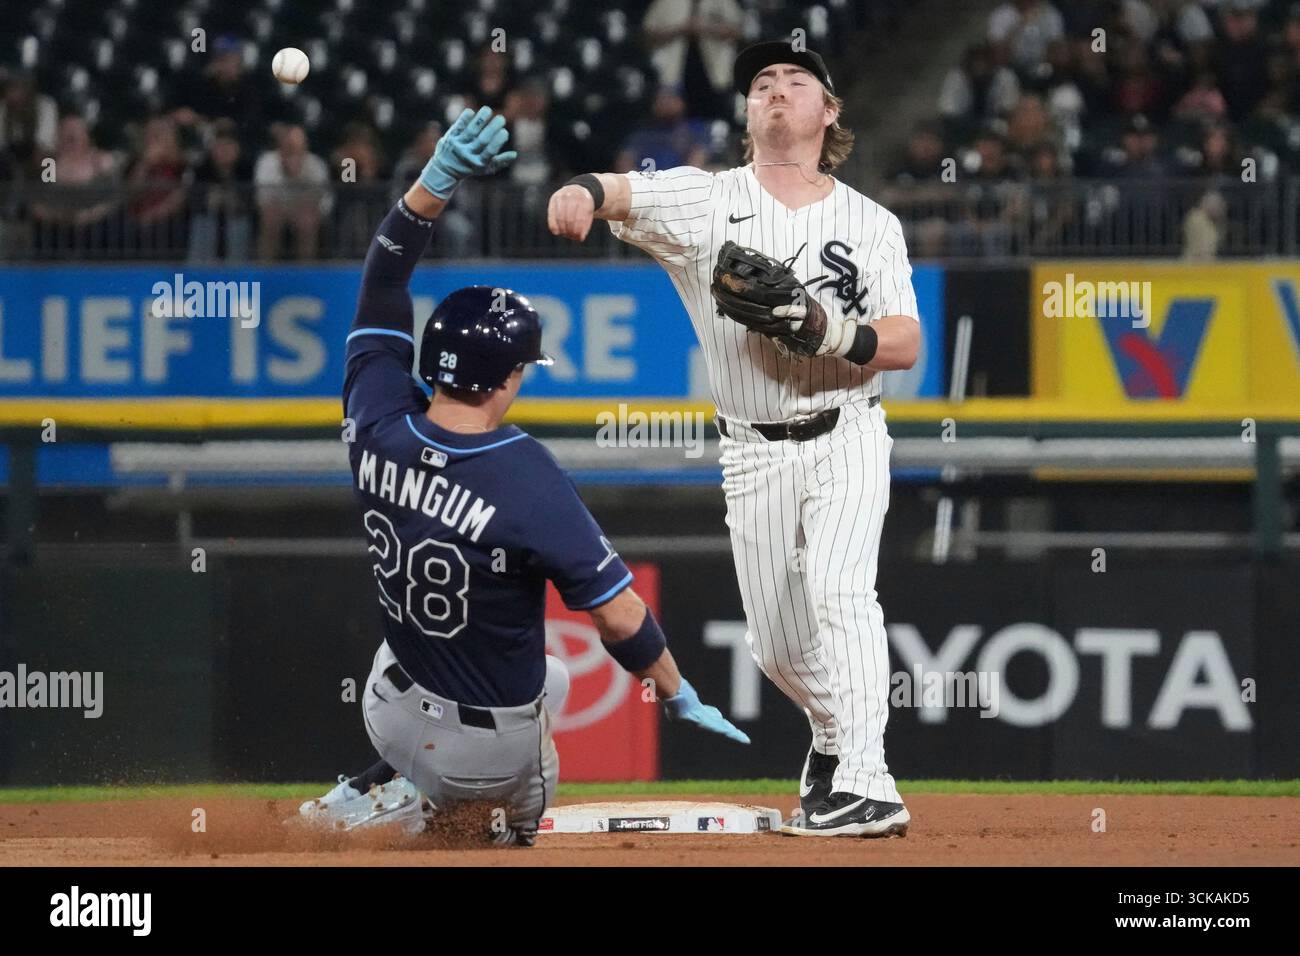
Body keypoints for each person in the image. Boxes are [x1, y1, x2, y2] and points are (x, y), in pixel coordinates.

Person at [300, 107, 747, 844]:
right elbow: (617, 617)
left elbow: (383, 277)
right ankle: (449, 821)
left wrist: (433, 182)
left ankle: (371, 790)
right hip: (485, 757)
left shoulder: (375, 412)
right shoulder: (524, 474)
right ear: (508, 378)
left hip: (390, 707)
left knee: (554, 675)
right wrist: (675, 692)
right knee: (507, 819)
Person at [546, 41, 920, 838]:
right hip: (752, 447)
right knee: (778, 648)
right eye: (761, 82)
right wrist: (579, 191)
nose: (777, 89)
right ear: (748, 111)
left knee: (842, 592)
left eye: (796, 80)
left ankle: (868, 782)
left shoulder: (872, 223)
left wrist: (827, 329)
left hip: (847, 428)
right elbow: (616, 189)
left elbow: (904, 341)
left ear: (829, 112)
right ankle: (833, 737)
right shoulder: (703, 200)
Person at [254, 124, 331, 260]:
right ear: (281, 147)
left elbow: (324, 201)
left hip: (305, 212)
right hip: (277, 210)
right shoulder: (267, 162)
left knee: (306, 222)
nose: (293, 154)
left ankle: (305, 271)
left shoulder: (316, 165)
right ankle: (265, 269)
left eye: (297, 149)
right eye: (289, 148)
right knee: (271, 219)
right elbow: (263, 200)